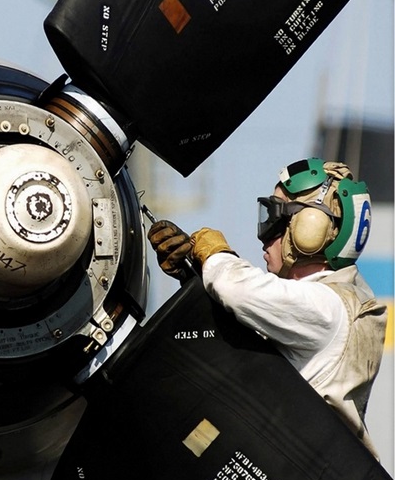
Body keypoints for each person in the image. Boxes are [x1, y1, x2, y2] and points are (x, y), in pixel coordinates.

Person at [147, 158, 388, 456]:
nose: (264, 234)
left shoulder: (332, 310)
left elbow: (237, 289)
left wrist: (215, 254)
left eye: (275, 217)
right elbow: (244, 345)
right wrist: (193, 274)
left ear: (310, 230)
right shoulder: (321, 305)